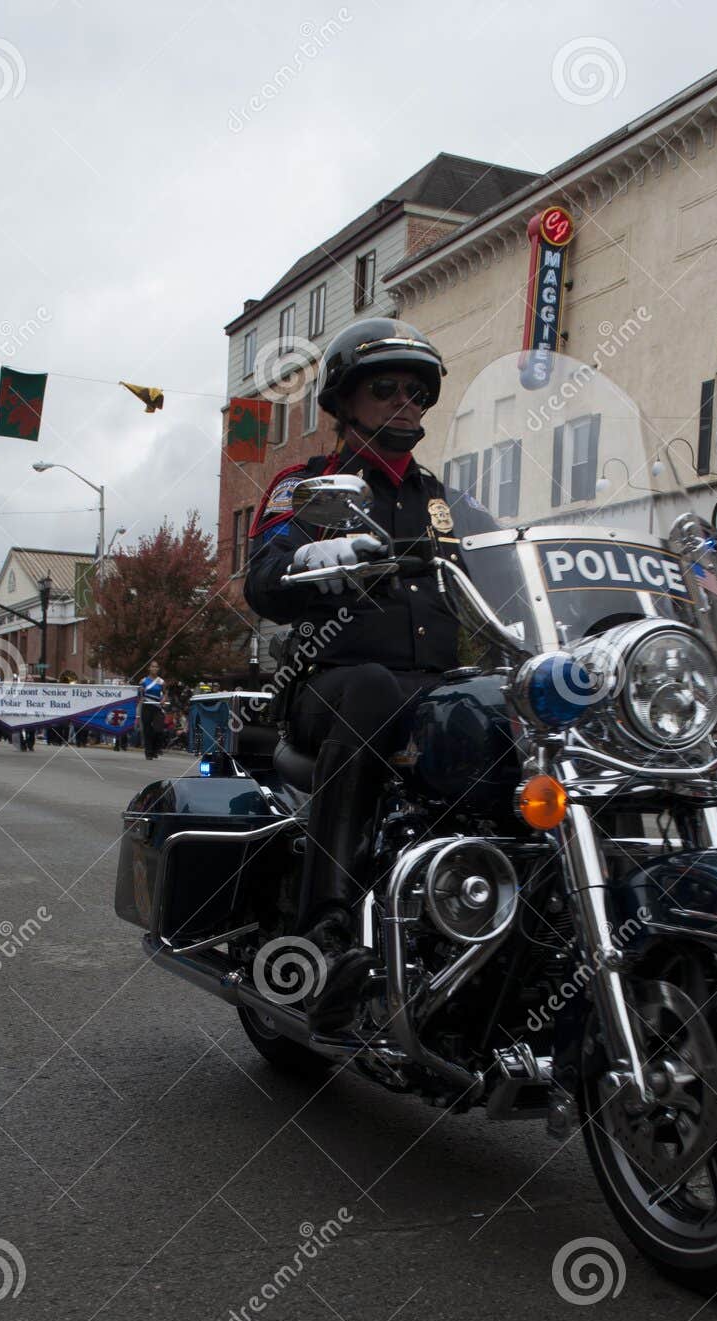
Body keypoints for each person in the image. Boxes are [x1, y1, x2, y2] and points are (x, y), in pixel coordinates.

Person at [244, 315, 491, 1032]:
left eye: (415, 390)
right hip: (333, 686)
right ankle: (323, 929)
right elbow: (262, 580)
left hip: (431, 689)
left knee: (505, 711)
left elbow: (507, 572)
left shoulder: (444, 502)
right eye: (385, 388)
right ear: (344, 400)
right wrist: (308, 558)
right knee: (374, 688)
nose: (404, 402)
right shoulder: (308, 485)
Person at [139, 661, 166, 759]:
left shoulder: (161, 682)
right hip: (146, 706)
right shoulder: (143, 681)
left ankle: (155, 749)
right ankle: (148, 752)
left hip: (157, 707)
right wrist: (141, 695)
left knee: (158, 729)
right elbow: (140, 694)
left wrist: (163, 699)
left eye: (156, 667)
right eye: (153, 667)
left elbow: (165, 693)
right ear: (149, 668)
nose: (154, 668)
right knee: (147, 730)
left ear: (158, 669)